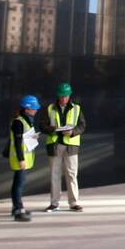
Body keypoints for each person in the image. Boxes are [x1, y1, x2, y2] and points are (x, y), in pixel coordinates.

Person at [39, 82, 85, 212]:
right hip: (55, 144)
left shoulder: (77, 108)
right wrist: (53, 129)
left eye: (66, 96)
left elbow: (82, 126)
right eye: (61, 96)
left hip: (71, 145)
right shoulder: (50, 108)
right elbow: (42, 125)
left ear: (69, 95)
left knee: (72, 174)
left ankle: (74, 203)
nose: (63, 98)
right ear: (58, 95)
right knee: (55, 174)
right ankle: (54, 203)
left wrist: (72, 132)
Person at [8, 94, 41, 222]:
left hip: (23, 158)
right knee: (18, 185)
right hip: (19, 158)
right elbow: (17, 143)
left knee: (19, 183)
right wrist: (21, 159)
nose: (36, 110)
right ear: (26, 109)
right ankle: (18, 210)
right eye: (33, 108)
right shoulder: (18, 122)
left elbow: (23, 139)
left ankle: (16, 208)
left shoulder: (27, 120)